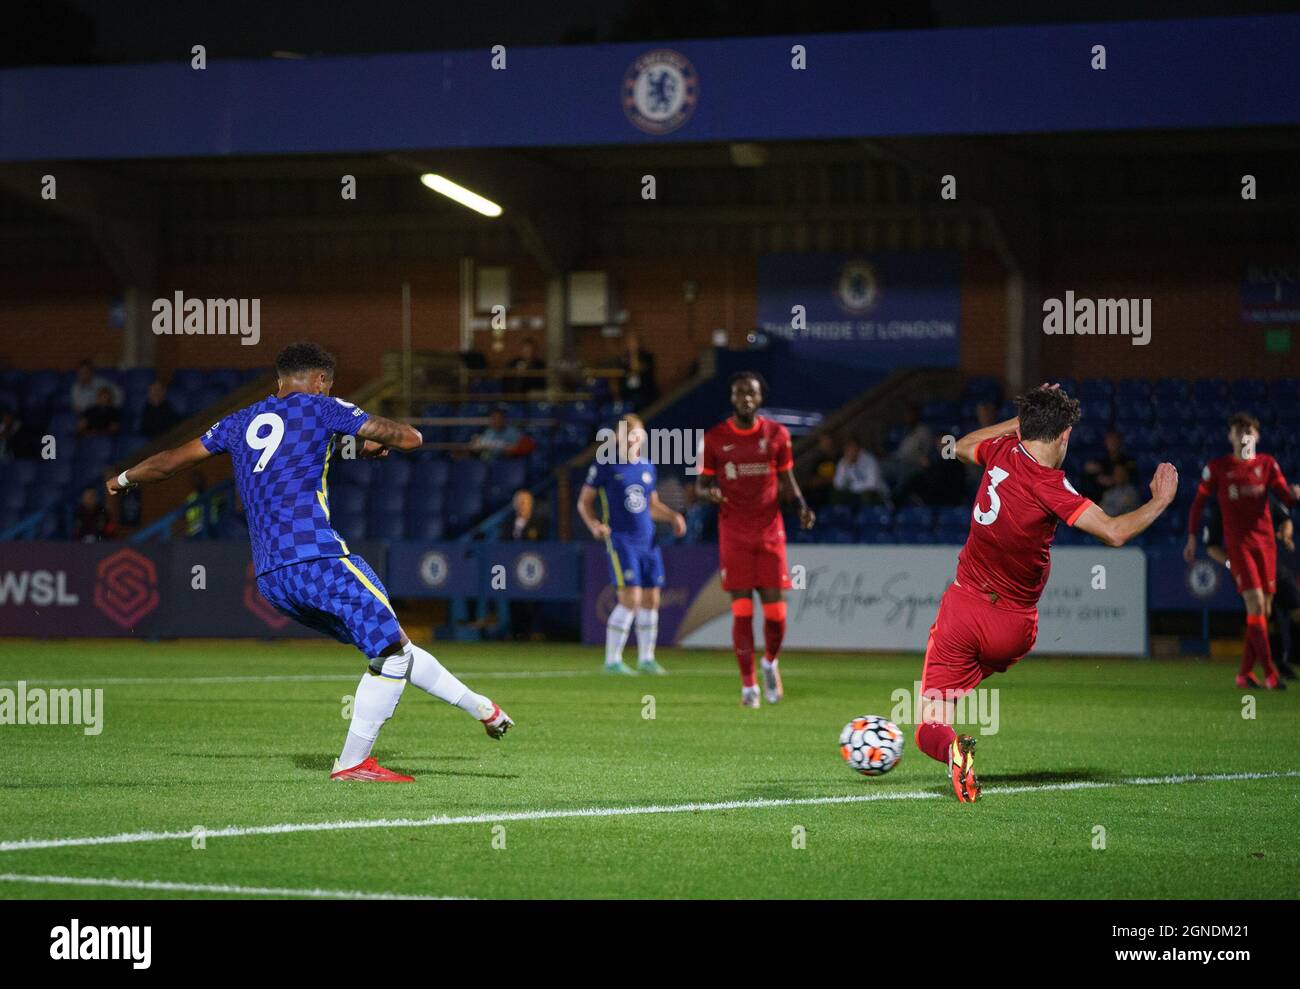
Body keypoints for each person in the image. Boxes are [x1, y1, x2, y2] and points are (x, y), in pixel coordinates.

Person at [107, 341, 512, 783]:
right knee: (391, 652)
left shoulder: (238, 421)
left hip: (271, 577)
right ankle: (353, 763)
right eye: (328, 385)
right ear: (321, 381)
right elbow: (408, 438)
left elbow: (169, 462)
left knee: (389, 646)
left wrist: (122, 479)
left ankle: (483, 709)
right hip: (316, 558)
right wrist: (375, 436)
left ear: (280, 378)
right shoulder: (324, 407)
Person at [913, 385, 1177, 802]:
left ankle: (952, 751)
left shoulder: (1000, 451)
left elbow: (961, 446)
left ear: (1023, 427)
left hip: (963, 611)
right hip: (1014, 629)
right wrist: (1160, 501)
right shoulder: (1052, 486)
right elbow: (1114, 531)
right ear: (1065, 435)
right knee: (987, 658)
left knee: (928, 725)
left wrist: (1017, 422)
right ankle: (957, 745)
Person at [698, 371, 815, 707]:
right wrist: (711, 493)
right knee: (743, 613)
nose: (745, 399)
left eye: (750, 393)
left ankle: (769, 663)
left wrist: (802, 506)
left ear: (760, 398)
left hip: (769, 532)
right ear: (732, 398)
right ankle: (748, 685)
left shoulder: (777, 434)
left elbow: (787, 478)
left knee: (777, 615)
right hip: (733, 532)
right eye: (739, 393)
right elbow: (699, 486)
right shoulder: (716, 439)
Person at [1185, 412, 1300, 689]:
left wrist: (1295, 494)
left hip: (1267, 547)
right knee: (1257, 605)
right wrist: (1191, 538)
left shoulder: (1267, 465)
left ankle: (1245, 672)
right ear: (1230, 436)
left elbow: (1285, 499)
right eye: (1238, 430)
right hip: (1239, 548)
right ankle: (1271, 673)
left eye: (1249, 430)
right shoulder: (1218, 468)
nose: (1244, 434)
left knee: (1264, 610)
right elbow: (1198, 504)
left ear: (1257, 436)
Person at [578, 414, 686, 674]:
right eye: (626, 434)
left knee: (651, 598)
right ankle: (612, 660)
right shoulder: (605, 465)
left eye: (636, 434)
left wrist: (673, 516)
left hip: (647, 541)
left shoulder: (647, 466)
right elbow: (584, 502)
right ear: (616, 437)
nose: (631, 438)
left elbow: (650, 506)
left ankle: (646, 659)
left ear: (643, 437)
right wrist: (594, 525)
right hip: (621, 540)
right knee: (630, 598)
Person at [832, 437, 889, 506]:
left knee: (866, 494)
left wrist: (852, 487)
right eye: (848, 449)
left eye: (853, 448)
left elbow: (872, 484)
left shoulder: (870, 460)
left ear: (859, 448)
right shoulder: (843, 463)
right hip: (856, 495)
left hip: (877, 494)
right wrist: (844, 468)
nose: (851, 452)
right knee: (837, 495)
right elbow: (838, 485)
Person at [618, 330, 659, 411]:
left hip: (644, 393)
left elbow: (636, 369)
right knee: (622, 414)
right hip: (628, 393)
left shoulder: (647, 357)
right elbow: (622, 375)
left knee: (636, 405)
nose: (631, 344)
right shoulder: (623, 359)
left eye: (633, 341)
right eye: (629, 341)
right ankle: (622, 423)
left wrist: (634, 353)